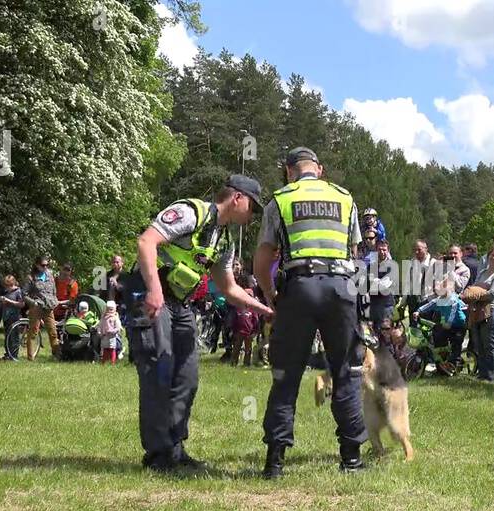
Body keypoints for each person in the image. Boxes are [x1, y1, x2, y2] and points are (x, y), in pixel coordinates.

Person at [135, 173, 269, 473]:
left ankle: (176, 450)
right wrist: (155, 290)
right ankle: (158, 456)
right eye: (253, 206)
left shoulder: (224, 241)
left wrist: (264, 309)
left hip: (181, 305)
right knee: (160, 370)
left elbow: (228, 288)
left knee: (188, 376)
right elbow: (146, 242)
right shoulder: (190, 212)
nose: (253, 214)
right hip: (150, 298)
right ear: (237, 198)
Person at [250, 146, 367, 478]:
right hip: (341, 287)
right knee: (346, 371)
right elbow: (354, 253)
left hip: (299, 287)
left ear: (289, 171)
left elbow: (263, 259)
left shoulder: (281, 200)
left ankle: (274, 462)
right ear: (320, 169)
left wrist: (272, 294)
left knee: (286, 374)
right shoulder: (345, 199)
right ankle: (352, 459)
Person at [467, 246, 494, 382]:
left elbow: (493, 293)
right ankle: (482, 373)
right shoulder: (483, 271)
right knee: (479, 344)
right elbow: (472, 288)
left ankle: (491, 376)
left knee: (489, 345)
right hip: (477, 310)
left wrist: (476, 292)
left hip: (492, 310)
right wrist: (479, 290)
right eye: (492, 255)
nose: (493, 258)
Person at [414, 276, 468, 374]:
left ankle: (454, 365)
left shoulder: (453, 299)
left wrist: (449, 323)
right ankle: (442, 367)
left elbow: (453, 310)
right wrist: (418, 311)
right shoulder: (439, 299)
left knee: (456, 344)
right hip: (446, 325)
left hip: (458, 325)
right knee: (439, 342)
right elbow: (430, 304)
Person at [23, 256, 60, 361]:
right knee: (34, 332)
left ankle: (57, 355)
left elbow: (53, 290)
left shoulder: (50, 275)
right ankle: (31, 358)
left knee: (53, 332)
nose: (45, 267)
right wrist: (33, 303)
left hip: (49, 307)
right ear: (37, 265)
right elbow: (24, 294)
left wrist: (54, 300)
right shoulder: (31, 277)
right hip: (37, 308)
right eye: (43, 265)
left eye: (47, 265)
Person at [0, 275, 25, 361]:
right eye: (6, 285)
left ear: (13, 284)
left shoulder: (18, 292)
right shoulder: (6, 292)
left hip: (14, 316)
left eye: (9, 285)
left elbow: (21, 304)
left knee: (14, 336)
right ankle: (7, 354)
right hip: (6, 316)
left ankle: (14, 355)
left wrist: (8, 301)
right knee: (7, 336)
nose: (7, 287)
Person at [97, 301, 122, 365]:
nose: (109, 311)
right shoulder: (104, 317)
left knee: (112, 349)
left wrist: (112, 331)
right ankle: (104, 362)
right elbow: (100, 325)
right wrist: (99, 332)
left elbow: (118, 328)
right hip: (104, 336)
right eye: (108, 309)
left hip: (112, 336)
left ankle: (112, 362)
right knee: (105, 349)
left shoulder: (115, 318)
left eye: (111, 309)